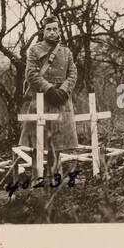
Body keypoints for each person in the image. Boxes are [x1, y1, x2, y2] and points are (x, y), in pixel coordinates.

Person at [18, 17, 79, 175]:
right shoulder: (34, 50)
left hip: (61, 101)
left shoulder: (66, 52)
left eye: (55, 29)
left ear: (59, 31)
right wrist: (49, 90)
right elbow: (31, 74)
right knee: (37, 141)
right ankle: (36, 177)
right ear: (43, 31)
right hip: (41, 99)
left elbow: (73, 73)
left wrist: (64, 91)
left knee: (58, 143)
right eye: (48, 29)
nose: (52, 32)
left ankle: (56, 176)